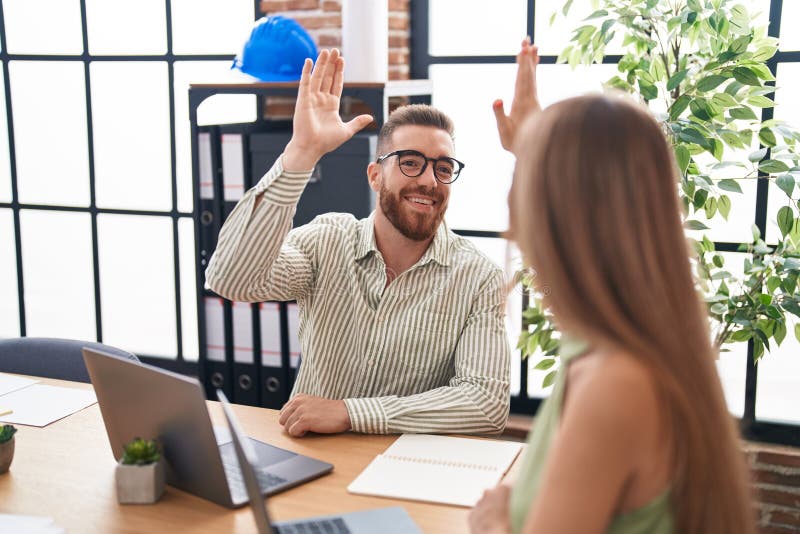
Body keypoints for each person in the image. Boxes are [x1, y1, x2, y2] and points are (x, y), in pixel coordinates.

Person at [468, 40, 755, 533]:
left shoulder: (615, 383)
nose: (514, 226)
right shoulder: (631, 342)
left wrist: (495, 521)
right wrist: (534, 147)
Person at [205, 49, 510, 438]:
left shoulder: (480, 278)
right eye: (410, 162)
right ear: (375, 176)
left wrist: (351, 412)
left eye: (443, 167)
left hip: (405, 466)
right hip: (311, 454)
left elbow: (486, 405)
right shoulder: (327, 241)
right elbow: (231, 279)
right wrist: (301, 154)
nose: (429, 180)